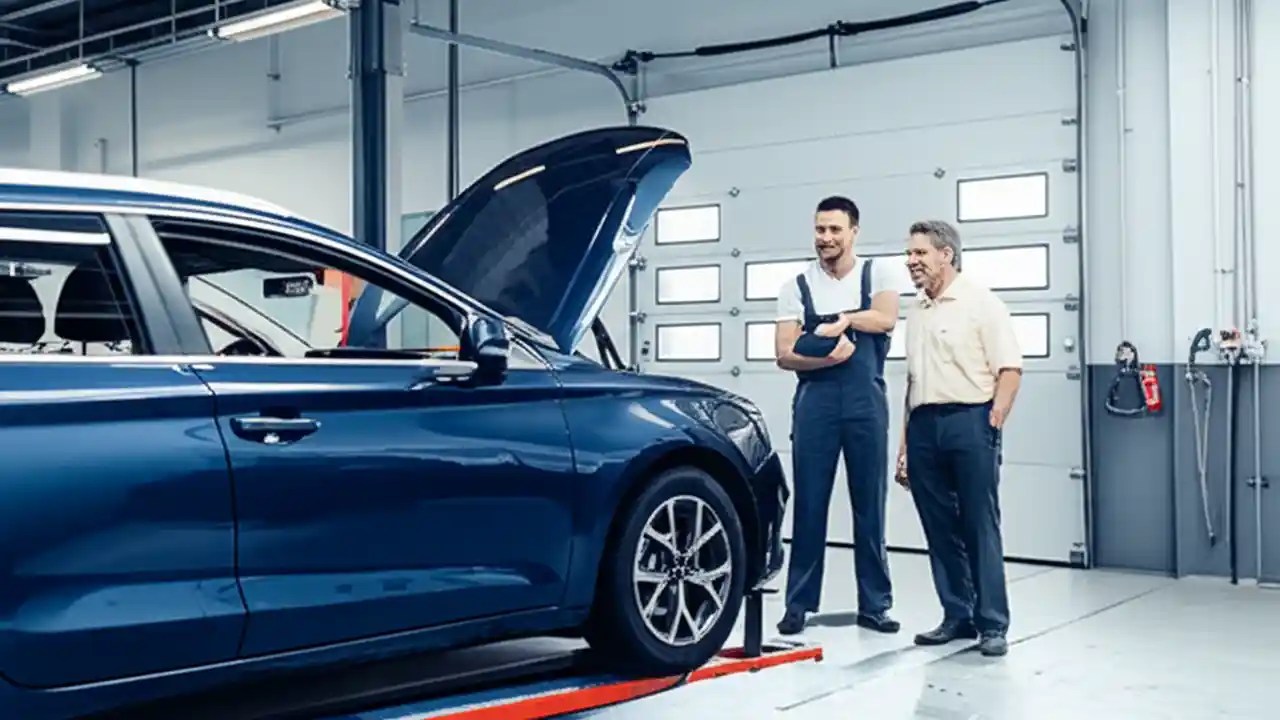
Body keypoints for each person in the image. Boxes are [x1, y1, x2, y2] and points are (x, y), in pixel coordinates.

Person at [773, 195, 900, 636]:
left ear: (853, 232)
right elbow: (785, 354)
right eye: (820, 229)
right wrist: (827, 359)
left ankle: (875, 605)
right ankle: (798, 604)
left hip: (866, 403)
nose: (825, 238)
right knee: (810, 504)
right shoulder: (796, 285)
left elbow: (885, 318)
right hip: (815, 406)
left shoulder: (876, 273)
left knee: (871, 506)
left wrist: (841, 322)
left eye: (834, 230)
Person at [895, 220, 1022, 657]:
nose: (911, 262)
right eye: (909, 255)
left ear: (946, 254)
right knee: (939, 526)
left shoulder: (981, 303)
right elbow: (911, 384)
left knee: (979, 524)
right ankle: (957, 615)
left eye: (920, 254)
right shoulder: (917, 311)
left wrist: (994, 421)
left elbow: (1009, 369)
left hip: (971, 420)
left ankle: (992, 624)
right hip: (924, 425)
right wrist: (905, 447)